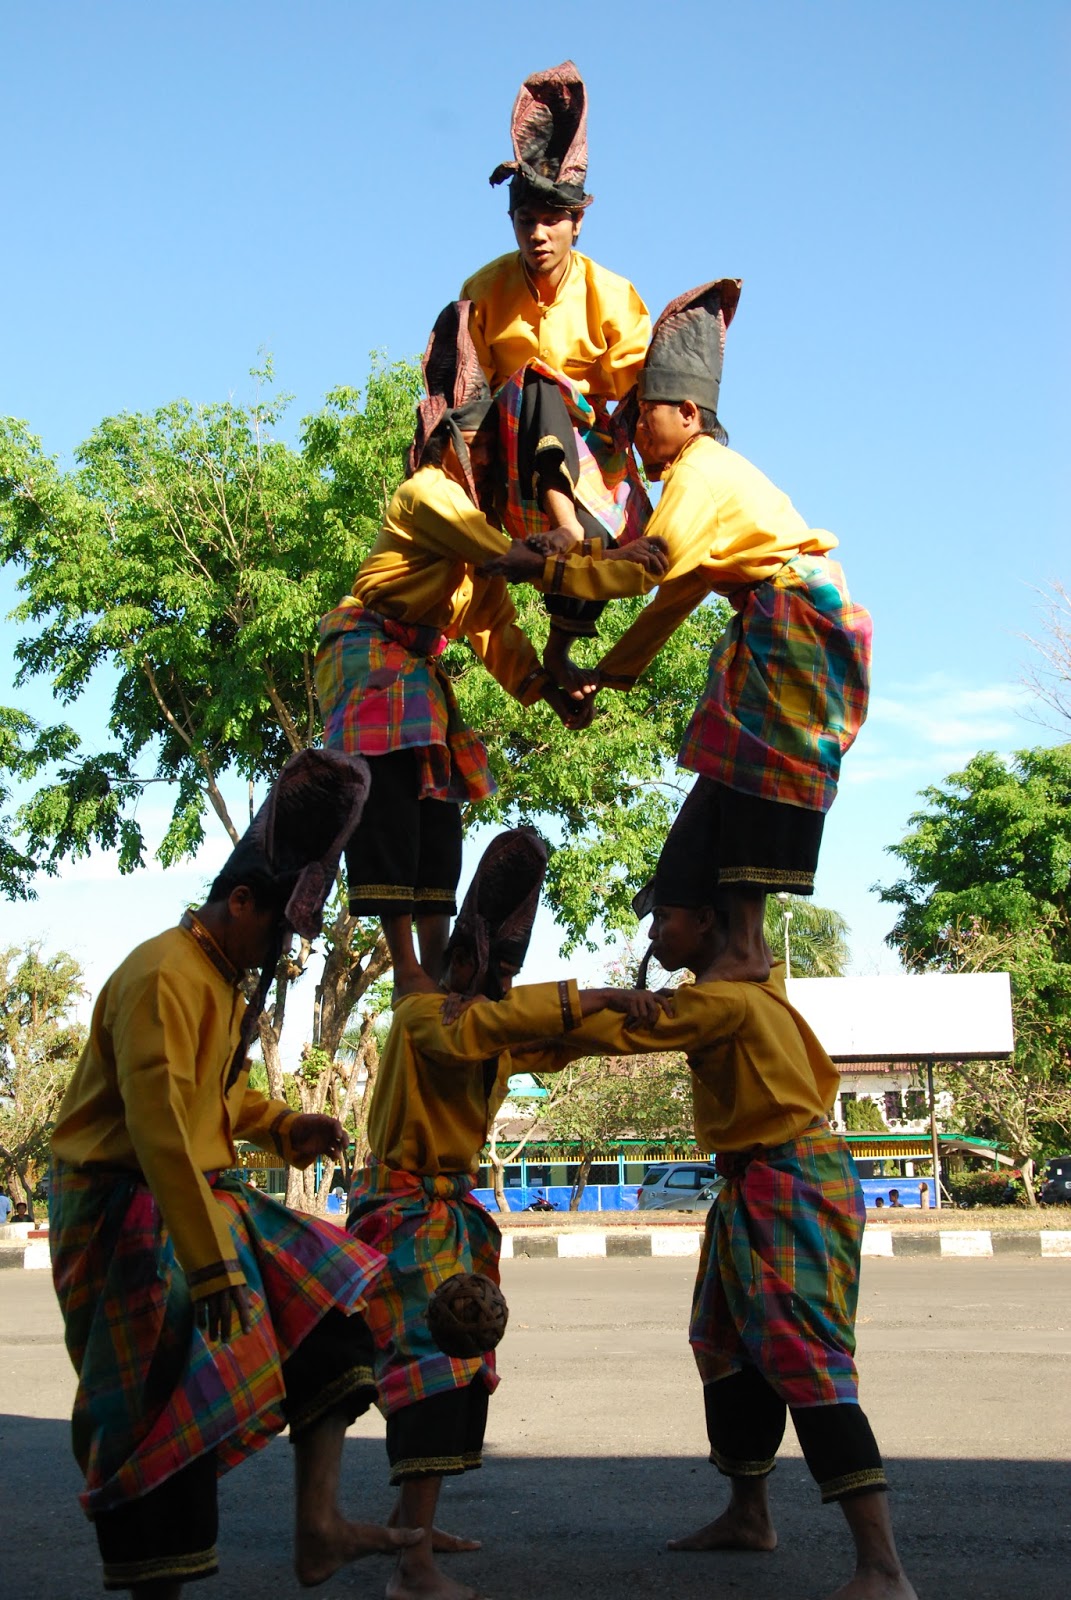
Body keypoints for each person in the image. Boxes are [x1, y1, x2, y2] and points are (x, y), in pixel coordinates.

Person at [49, 750, 421, 1595]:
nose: (280, 949)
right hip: (129, 1213)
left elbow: (219, 1101)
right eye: (276, 929)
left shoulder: (217, 979)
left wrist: (286, 1125)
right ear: (242, 899)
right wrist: (211, 1266)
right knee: (153, 1412)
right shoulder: (162, 977)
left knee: (334, 1331)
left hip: (194, 1205)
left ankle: (318, 1528)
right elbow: (159, 1130)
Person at [539, 872, 917, 1600]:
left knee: (805, 1358)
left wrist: (504, 1023)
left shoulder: (723, 1000)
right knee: (722, 1346)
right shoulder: (750, 982)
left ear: (708, 920)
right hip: (753, 1180)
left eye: (665, 919)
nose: (653, 937)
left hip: (791, 1178)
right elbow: (746, 901)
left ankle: (882, 1569)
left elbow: (610, 1032)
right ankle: (749, 1517)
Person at [483, 279, 871, 982]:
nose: (630, 433)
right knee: (727, 775)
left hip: (796, 626)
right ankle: (728, 948)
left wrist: (535, 570)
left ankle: (745, 956)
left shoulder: (699, 477)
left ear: (687, 413)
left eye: (641, 417)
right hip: (778, 623)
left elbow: (641, 574)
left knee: (752, 779)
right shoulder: (700, 480)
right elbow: (675, 596)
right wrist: (608, 672)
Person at [347, 826, 665, 1600]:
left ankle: (409, 1526)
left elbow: (556, 1035)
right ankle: (411, 1569)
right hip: (403, 1214)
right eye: (497, 964)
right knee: (429, 1376)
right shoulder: (424, 1013)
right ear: (464, 956)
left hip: (450, 1219)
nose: (500, 978)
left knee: (462, 1363)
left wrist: (655, 1019)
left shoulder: (487, 1025)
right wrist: (593, 995)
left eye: (509, 969)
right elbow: (497, 1026)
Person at [315, 302, 586, 998]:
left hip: (416, 670)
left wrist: (551, 689)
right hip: (369, 651)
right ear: (458, 448)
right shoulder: (427, 494)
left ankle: (438, 962)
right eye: (488, 455)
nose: (494, 469)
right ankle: (405, 968)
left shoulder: (476, 549)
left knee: (437, 805)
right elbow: (502, 555)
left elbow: (497, 633)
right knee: (392, 795)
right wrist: (563, 543)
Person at [461, 60, 653, 687]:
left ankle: (561, 651)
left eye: (551, 221)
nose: (538, 234)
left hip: (595, 464)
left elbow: (645, 402)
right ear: (511, 222)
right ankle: (563, 528)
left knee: (631, 534)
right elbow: (465, 403)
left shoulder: (613, 293)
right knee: (538, 380)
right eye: (526, 221)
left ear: (577, 223)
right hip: (513, 468)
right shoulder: (483, 292)